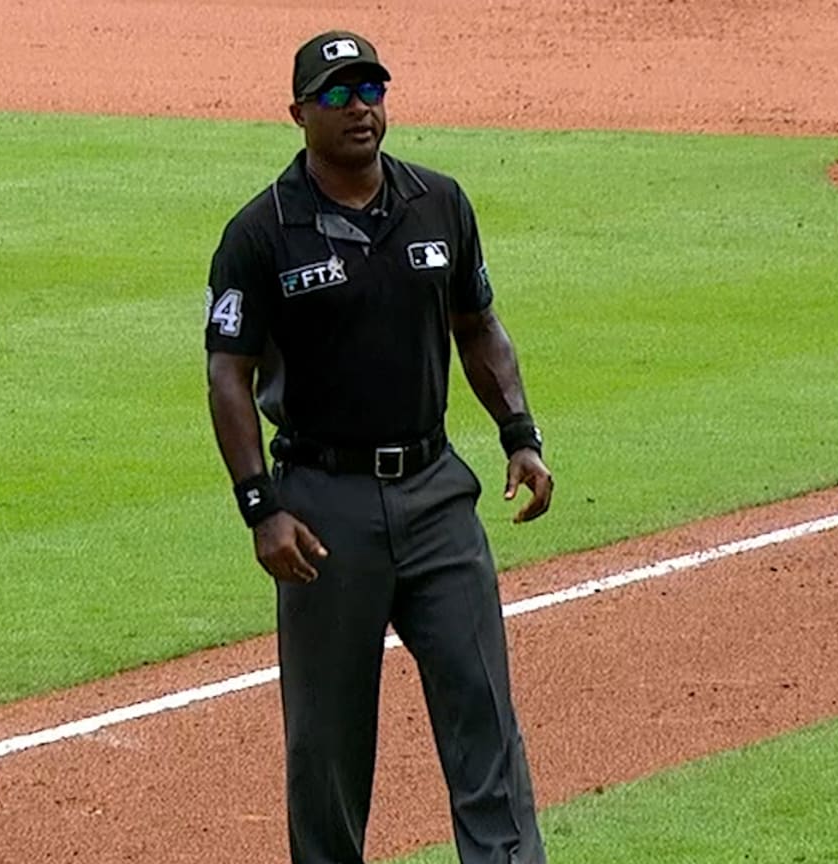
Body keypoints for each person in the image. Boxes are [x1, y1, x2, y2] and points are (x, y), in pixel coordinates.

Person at [204, 29, 554, 864]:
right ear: (298, 114)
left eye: (370, 90)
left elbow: (479, 327)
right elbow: (229, 374)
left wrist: (519, 435)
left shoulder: (440, 202)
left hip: (437, 493)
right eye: (335, 95)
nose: (359, 107)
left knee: (484, 716)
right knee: (326, 743)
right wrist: (261, 508)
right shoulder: (262, 231)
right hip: (326, 509)